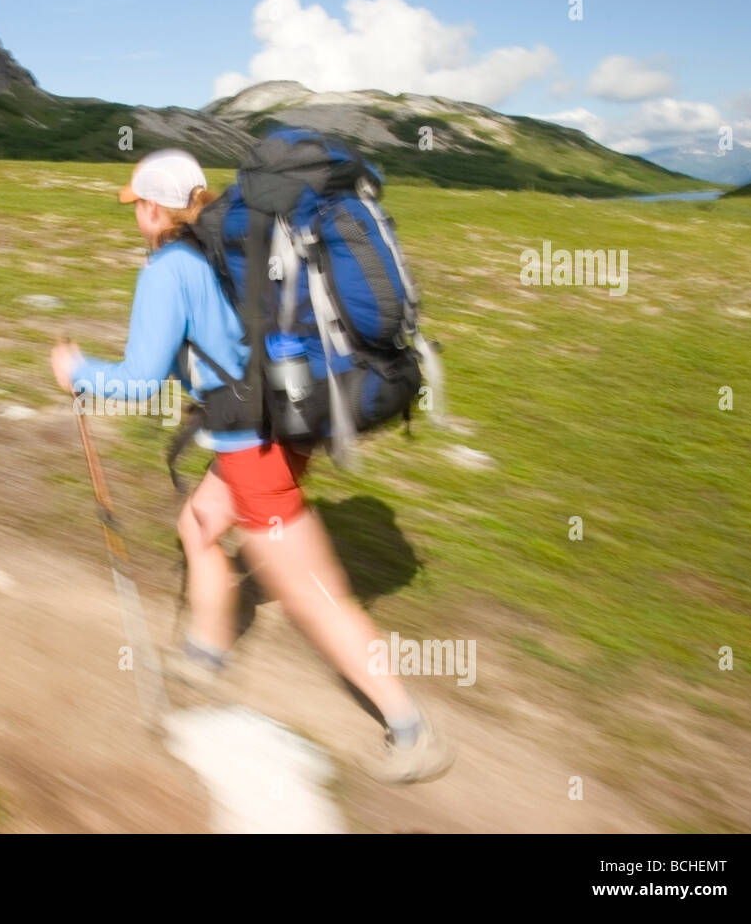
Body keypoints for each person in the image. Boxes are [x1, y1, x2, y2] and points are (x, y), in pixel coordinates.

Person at [50, 149, 453, 783]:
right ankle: (204, 655)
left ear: (154, 208)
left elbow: (136, 380)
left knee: (313, 594)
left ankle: (412, 731)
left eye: (138, 205)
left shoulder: (169, 270)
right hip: (284, 414)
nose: (136, 215)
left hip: (252, 439)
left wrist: (76, 371)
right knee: (201, 525)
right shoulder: (221, 244)